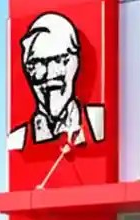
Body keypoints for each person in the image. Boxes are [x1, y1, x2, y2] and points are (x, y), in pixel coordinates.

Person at [7, 12, 105, 151]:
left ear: (75, 63)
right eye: (37, 63)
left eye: (59, 60)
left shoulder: (100, 123)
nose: (50, 73)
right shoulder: (16, 142)